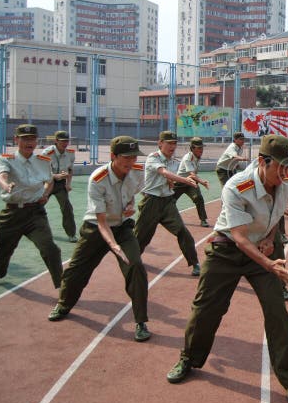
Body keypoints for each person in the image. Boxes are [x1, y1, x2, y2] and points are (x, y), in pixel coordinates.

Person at [166, 135, 288, 403]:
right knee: (206, 308)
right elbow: (240, 238)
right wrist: (268, 263)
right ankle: (189, 359)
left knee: (277, 311)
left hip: (263, 249)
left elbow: (275, 215)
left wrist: (269, 239)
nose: (286, 172)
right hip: (228, 251)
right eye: (281, 166)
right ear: (262, 162)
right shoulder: (237, 186)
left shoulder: (285, 183)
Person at [47, 136, 152, 342]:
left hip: (122, 229)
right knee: (77, 270)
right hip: (96, 230)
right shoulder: (98, 179)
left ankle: (141, 321)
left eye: (134, 157)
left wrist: (129, 204)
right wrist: (113, 246)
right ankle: (64, 304)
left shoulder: (137, 172)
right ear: (113, 156)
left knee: (136, 267)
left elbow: (132, 193)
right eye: (126, 157)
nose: (131, 162)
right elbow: (102, 222)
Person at [0, 124, 63, 288]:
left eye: (32, 139)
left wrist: (45, 194)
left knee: (50, 249)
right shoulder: (6, 159)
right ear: (16, 139)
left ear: (37, 141)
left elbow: (49, 180)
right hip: (12, 213)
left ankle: (62, 287)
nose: (29, 142)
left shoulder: (43, 161)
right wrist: (6, 185)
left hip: (35, 213)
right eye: (24, 139)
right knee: (2, 250)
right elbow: (1, 175)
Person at [135, 131, 202, 276]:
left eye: (174, 143)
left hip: (167, 202)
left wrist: (171, 182)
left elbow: (169, 179)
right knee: (142, 235)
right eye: (169, 143)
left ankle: (195, 263)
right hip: (151, 202)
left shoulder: (174, 162)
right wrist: (185, 180)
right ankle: (132, 259)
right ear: (160, 143)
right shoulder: (153, 158)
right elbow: (164, 172)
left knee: (182, 231)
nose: (172, 146)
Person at [42, 130, 78, 242]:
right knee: (37, 207)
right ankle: (29, 228)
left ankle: (71, 234)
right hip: (46, 184)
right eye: (62, 141)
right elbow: (41, 172)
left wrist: (68, 184)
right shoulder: (46, 153)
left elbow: (70, 169)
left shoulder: (71, 153)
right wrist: (54, 176)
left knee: (67, 208)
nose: (65, 143)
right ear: (56, 141)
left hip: (60, 185)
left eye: (67, 141)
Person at [173, 137, 210, 227]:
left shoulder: (197, 156)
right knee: (170, 201)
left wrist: (198, 181)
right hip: (180, 182)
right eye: (199, 148)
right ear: (192, 148)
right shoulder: (187, 158)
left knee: (198, 198)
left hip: (191, 183)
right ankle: (162, 217)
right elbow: (192, 174)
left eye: (202, 147)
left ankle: (203, 220)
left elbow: (193, 176)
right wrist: (202, 182)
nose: (201, 150)